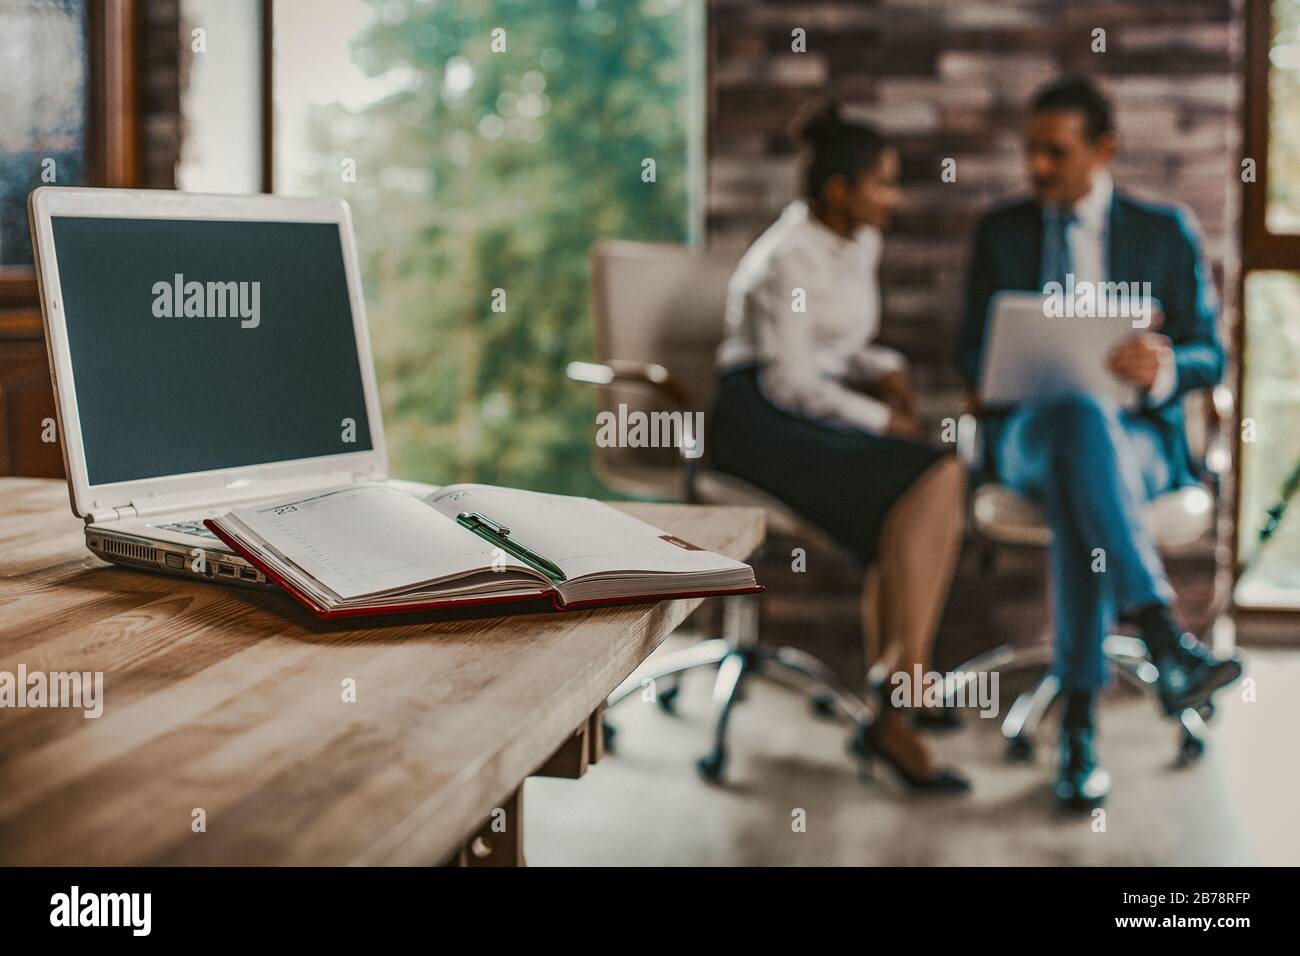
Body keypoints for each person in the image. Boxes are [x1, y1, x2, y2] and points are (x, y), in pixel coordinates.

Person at [956, 76, 1243, 809]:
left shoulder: (1164, 231)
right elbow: (966, 357)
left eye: (1055, 152)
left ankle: (1080, 727)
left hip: (1139, 439)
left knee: (1086, 452)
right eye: (1031, 152)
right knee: (1077, 427)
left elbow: (1211, 354)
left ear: (1104, 149)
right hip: (1026, 436)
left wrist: (1166, 365)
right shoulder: (1003, 232)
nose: (1038, 168)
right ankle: (1160, 635)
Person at [711, 99, 969, 794]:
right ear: (839, 190)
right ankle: (902, 692)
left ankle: (898, 690)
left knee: (930, 481)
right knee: (929, 475)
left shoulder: (860, 241)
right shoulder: (786, 258)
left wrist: (882, 365)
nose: (894, 196)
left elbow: (836, 349)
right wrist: (881, 422)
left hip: (802, 404)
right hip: (753, 421)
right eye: (882, 182)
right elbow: (791, 381)